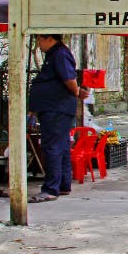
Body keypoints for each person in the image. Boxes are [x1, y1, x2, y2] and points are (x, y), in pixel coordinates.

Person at [28, 34, 89, 203]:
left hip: (56, 108)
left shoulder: (60, 53)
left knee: (52, 146)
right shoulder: (54, 54)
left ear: (49, 38)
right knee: (60, 146)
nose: (38, 44)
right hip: (55, 107)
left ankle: (50, 189)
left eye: (40, 40)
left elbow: (69, 79)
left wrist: (77, 91)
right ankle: (62, 184)